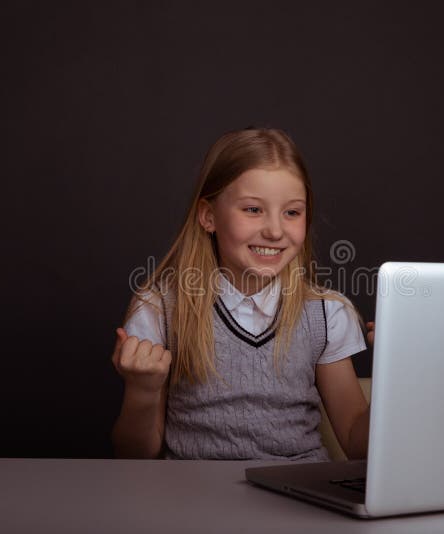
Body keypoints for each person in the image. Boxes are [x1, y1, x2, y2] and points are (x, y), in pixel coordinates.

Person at [111, 127, 374, 460]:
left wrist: (403, 380)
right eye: (253, 210)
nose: (275, 230)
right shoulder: (159, 309)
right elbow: (134, 455)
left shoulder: (327, 313)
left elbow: (356, 442)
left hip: (298, 501)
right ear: (209, 216)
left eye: (292, 212)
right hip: (194, 501)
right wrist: (142, 391)